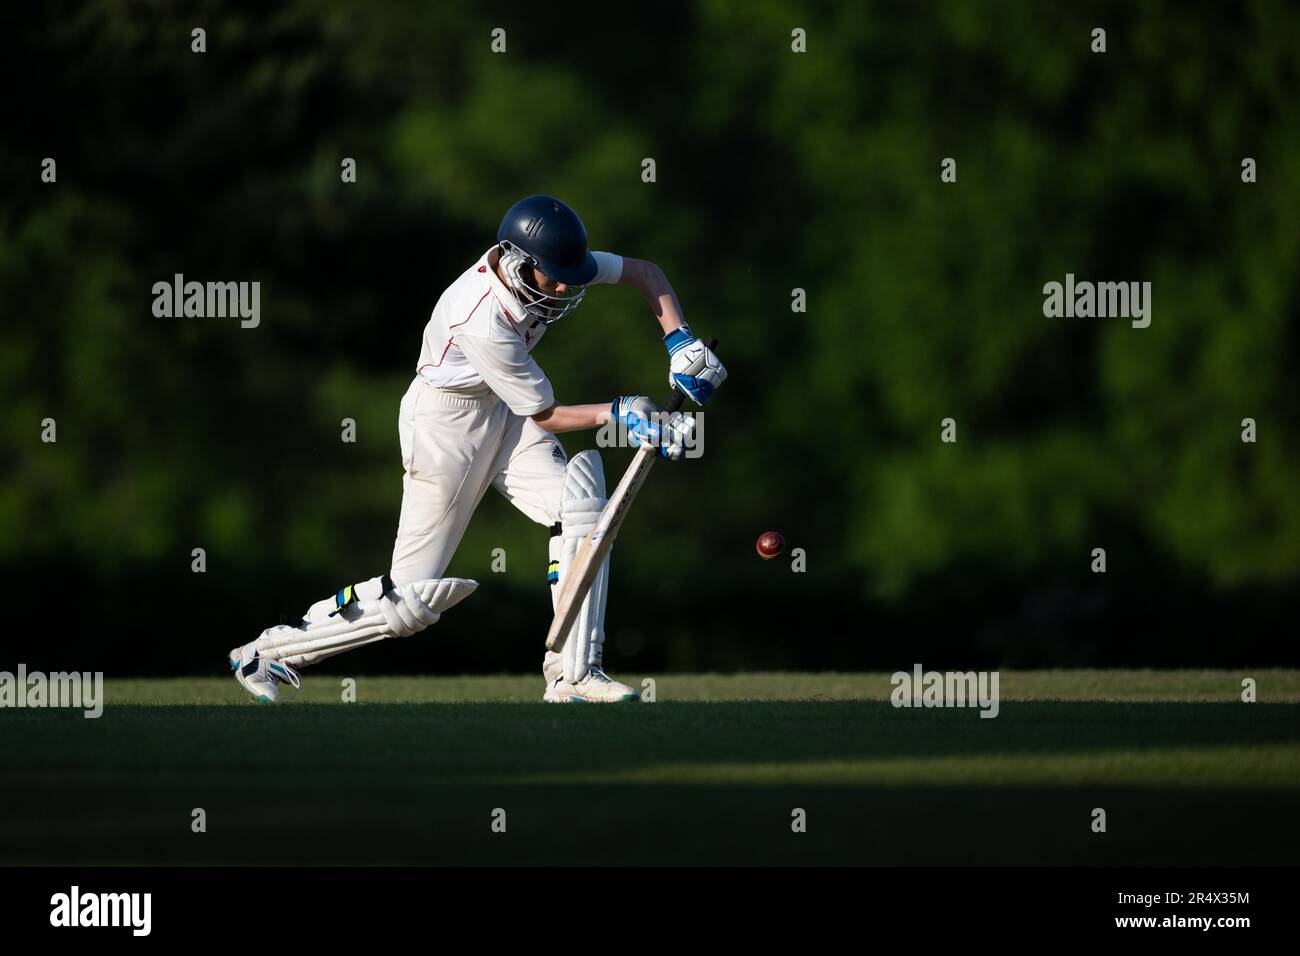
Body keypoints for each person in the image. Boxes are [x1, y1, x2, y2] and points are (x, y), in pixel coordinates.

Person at [228, 195, 727, 703]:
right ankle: (266, 653)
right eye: (553, 277)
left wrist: (679, 342)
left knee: (581, 509)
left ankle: (574, 674)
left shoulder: (549, 264)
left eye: (570, 275)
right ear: (518, 262)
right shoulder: (482, 317)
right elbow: (547, 415)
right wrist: (621, 414)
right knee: (409, 604)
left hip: (502, 411)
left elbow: (645, 273)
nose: (564, 287)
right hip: (445, 426)